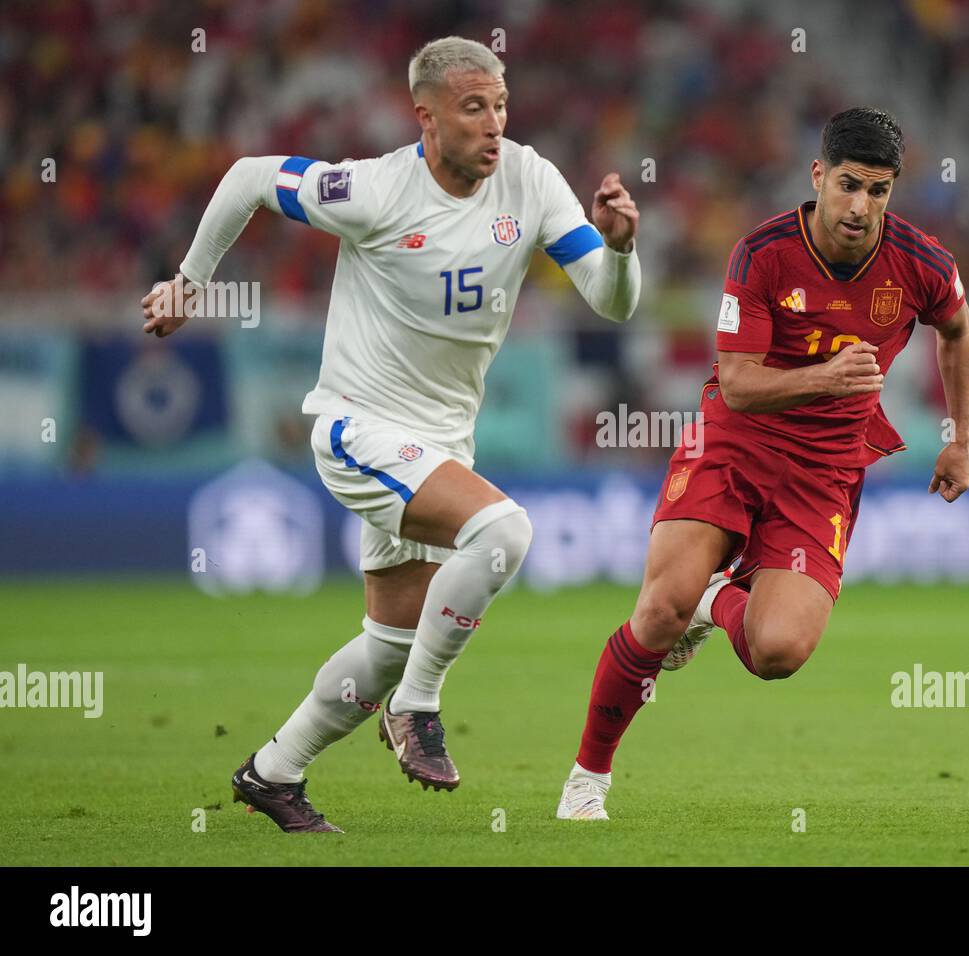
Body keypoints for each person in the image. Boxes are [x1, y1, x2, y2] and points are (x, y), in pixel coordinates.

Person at [142, 36, 641, 833]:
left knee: (388, 645)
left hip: (441, 447)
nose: (493, 124)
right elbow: (246, 179)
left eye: (500, 105)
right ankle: (417, 710)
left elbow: (613, 302)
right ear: (427, 117)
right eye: (474, 108)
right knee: (504, 532)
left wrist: (619, 249)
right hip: (358, 428)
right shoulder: (373, 189)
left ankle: (272, 772)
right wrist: (189, 283)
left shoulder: (531, 178)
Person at [555, 107, 969, 820]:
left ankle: (718, 598)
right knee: (658, 607)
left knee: (778, 650)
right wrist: (827, 377)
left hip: (826, 472)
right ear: (818, 176)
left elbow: (959, 333)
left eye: (879, 191)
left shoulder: (923, 263)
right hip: (735, 444)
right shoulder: (761, 254)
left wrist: (961, 436)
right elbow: (741, 382)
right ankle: (587, 779)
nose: (861, 206)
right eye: (849, 185)